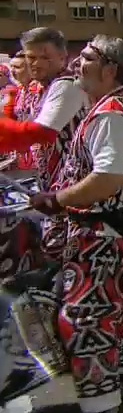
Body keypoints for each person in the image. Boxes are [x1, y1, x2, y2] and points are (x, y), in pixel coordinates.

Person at [28, 35, 123, 413]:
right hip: (105, 235)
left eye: (86, 58)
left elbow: (110, 177)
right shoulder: (113, 105)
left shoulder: (112, 112)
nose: (77, 64)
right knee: (115, 312)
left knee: (85, 323)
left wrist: (59, 199)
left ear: (110, 69)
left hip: (98, 237)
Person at [0, 28, 88, 261]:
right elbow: (16, 124)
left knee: (66, 255)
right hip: (49, 182)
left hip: (74, 184)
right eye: (31, 57)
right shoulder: (36, 89)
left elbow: (41, 132)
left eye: (45, 57)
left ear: (63, 57)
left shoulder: (67, 85)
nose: (36, 64)